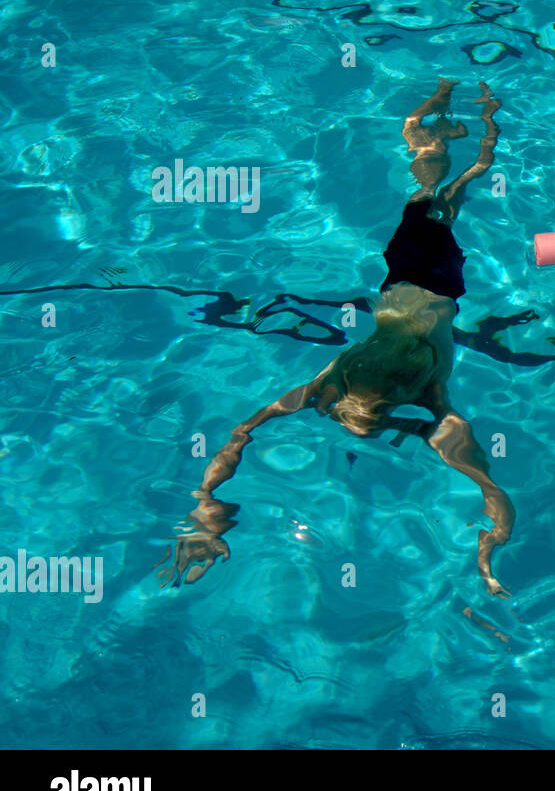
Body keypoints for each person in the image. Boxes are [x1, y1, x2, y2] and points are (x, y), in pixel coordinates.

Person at [158, 79, 515, 597]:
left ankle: (463, 132)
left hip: (444, 283)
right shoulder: (336, 378)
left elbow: (488, 485)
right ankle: (455, 132)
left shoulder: (425, 394)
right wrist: (204, 500)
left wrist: (494, 541)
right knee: (430, 201)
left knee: (440, 201)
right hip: (403, 271)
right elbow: (240, 432)